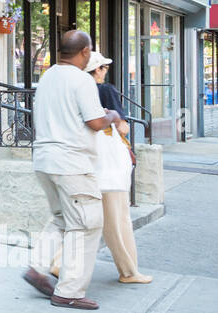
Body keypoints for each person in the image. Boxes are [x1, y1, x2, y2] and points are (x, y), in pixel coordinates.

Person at [22, 30, 123, 311]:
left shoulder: (48, 76)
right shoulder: (81, 80)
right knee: (86, 225)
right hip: (72, 164)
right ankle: (69, 291)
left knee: (61, 220)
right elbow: (95, 122)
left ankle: (37, 268)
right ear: (85, 52)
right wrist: (112, 115)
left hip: (44, 160)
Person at [53, 50, 151, 284]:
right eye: (103, 68)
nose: (105, 72)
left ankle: (57, 262)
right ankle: (129, 271)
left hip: (80, 160)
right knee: (117, 221)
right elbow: (123, 128)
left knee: (81, 220)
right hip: (109, 163)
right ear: (96, 70)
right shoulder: (105, 90)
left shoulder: (70, 92)